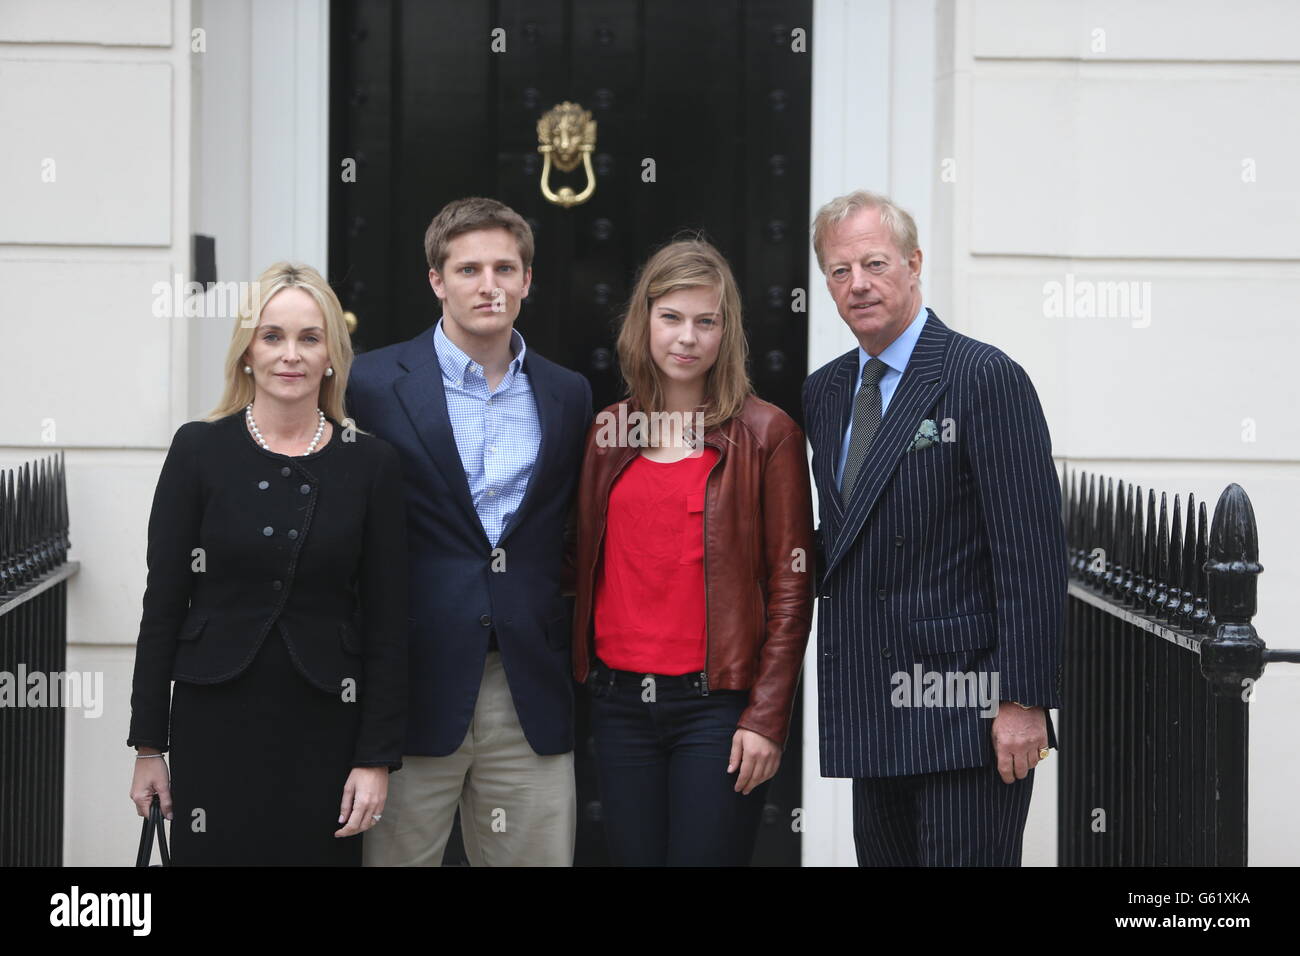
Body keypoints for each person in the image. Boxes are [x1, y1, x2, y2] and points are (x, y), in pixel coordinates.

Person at [802, 190, 1067, 866]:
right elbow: (845, 537)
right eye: (839, 270)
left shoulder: (983, 378)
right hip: (871, 704)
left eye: (874, 263)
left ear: (914, 264)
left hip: (968, 713)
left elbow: (1031, 555)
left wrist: (1025, 701)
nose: (857, 284)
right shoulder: (827, 392)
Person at [127, 262, 409, 866]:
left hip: (327, 726)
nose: (291, 355)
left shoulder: (372, 464)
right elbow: (163, 602)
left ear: (332, 354)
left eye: (310, 338)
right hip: (215, 720)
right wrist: (150, 744)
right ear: (246, 352)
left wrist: (374, 757)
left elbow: (389, 621)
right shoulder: (198, 450)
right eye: (272, 336)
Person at [348, 197, 592, 867]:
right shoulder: (370, 385)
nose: (490, 285)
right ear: (437, 281)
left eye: (505, 268)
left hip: (526, 686)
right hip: (410, 683)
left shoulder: (568, 392)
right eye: (469, 269)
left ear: (527, 279)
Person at [571, 238, 814, 866]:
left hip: (717, 707)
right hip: (620, 704)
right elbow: (577, 564)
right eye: (671, 317)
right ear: (644, 322)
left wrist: (766, 717)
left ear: (725, 332)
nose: (687, 338)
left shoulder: (767, 435)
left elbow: (791, 586)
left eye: (706, 321)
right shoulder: (607, 434)